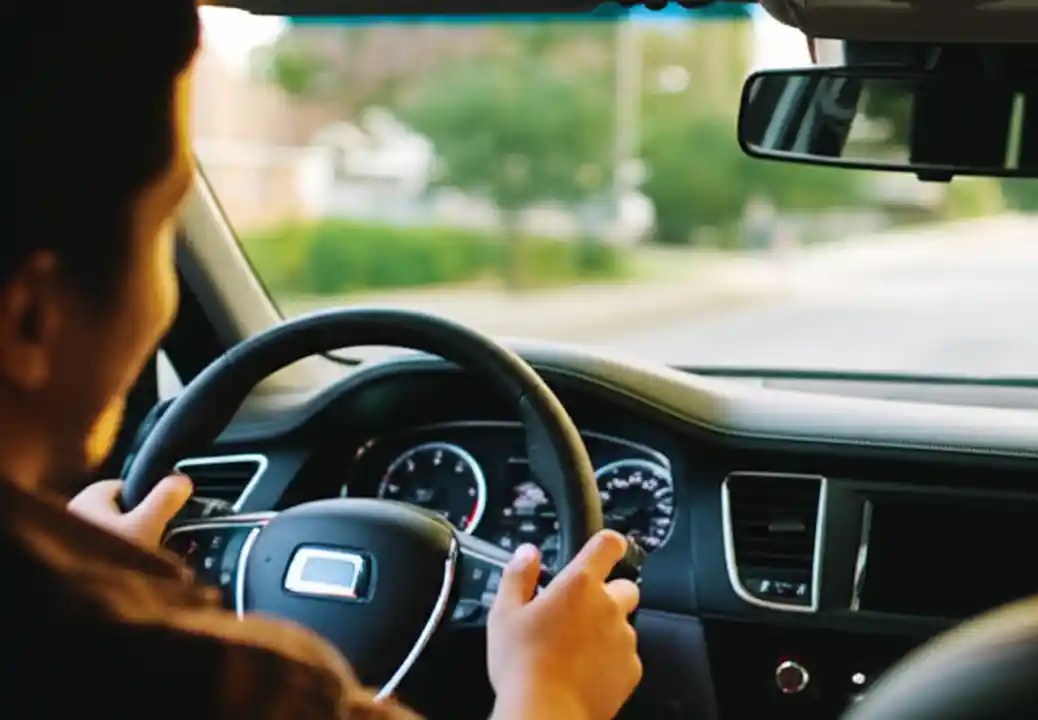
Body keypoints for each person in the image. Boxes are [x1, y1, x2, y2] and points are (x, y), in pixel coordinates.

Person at [1, 5, 641, 719]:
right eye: (164, 231)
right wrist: (553, 692)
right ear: (35, 320)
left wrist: (89, 564)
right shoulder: (200, 680)